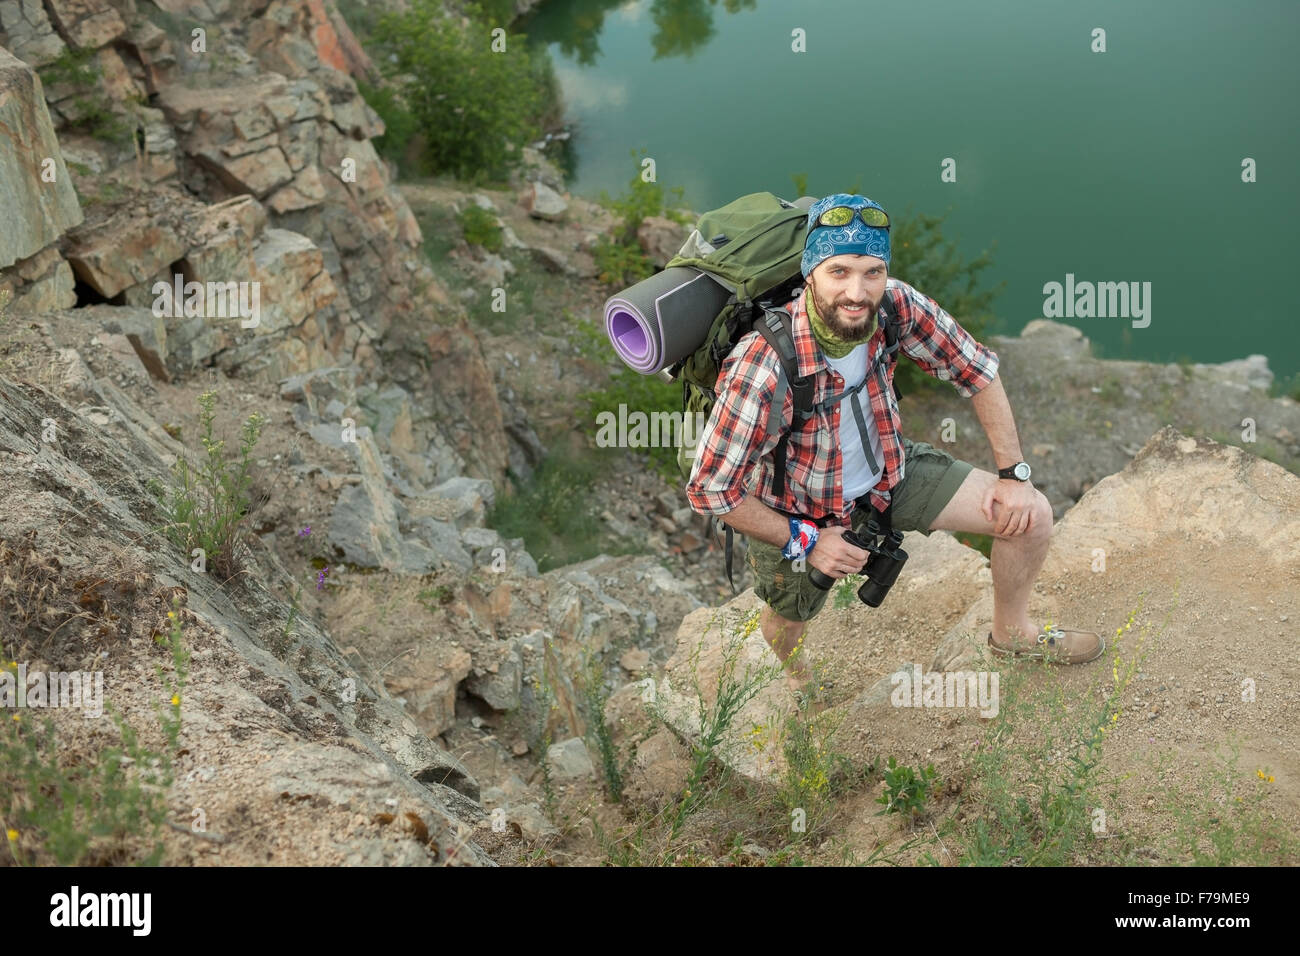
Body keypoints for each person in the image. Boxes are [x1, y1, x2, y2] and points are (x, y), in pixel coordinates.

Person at [684, 192, 1103, 707]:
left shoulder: (895, 305)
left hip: (889, 474)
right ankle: (795, 677)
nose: (857, 292)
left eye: (872, 272)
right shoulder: (763, 364)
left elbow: (978, 371)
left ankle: (1012, 634)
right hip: (798, 506)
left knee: (1031, 514)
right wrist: (807, 540)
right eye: (838, 271)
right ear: (810, 272)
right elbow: (709, 489)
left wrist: (1014, 475)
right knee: (787, 621)